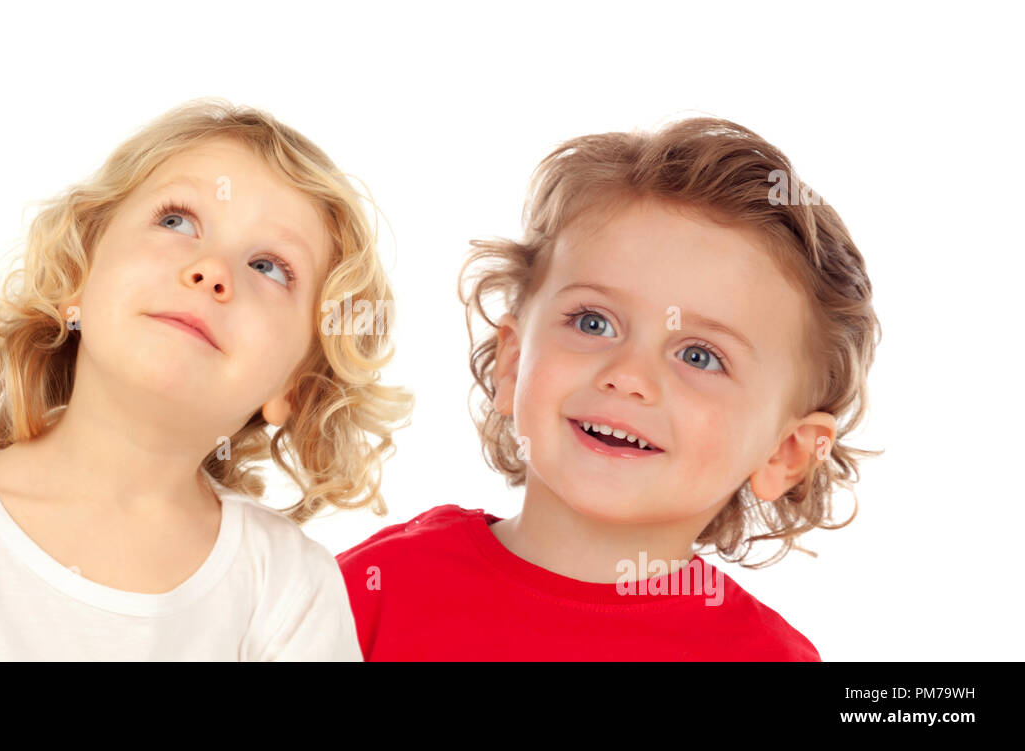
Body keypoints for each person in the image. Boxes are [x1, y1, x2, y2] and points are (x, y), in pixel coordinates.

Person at [0, 98, 411, 661]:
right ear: (77, 276)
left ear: (294, 386)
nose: (212, 271)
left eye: (268, 267)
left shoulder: (290, 586)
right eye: (176, 221)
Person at [338, 117, 881, 661]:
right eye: (593, 323)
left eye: (699, 356)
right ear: (513, 362)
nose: (628, 376)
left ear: (785, 453)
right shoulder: (368, 593)